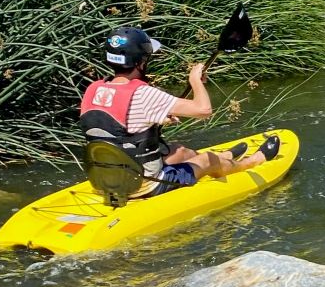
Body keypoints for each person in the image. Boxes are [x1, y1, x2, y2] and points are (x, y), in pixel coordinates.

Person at [80, 25, 280, 198]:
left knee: (179, 151)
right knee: (207, 159)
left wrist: (157, 119)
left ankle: (226, 157)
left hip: (104, 180)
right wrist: (195, 82)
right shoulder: (143, 94)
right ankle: (251, 161)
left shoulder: (93, 89)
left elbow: (119, 129)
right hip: (144, 185)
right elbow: (204, 110)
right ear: (140, 63)